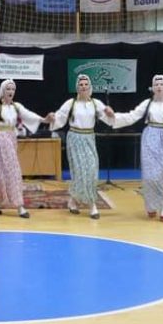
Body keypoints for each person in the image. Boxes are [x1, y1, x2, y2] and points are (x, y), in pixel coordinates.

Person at [108, 74, 163, 222]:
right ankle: (159, 207)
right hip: (149, 137)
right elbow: (132, 116)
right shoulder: (147, 104)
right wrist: (114, 117)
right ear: (153, 87)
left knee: (161, 175)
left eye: (161, 84)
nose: (159, 86)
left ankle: (155, 205)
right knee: (150, 175)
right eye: (156, 84)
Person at [0, 80, 52, 218]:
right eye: (8, 88)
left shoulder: (17, 106)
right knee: (13, 169)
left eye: (13, 89)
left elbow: (29, 115)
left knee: (0, 171)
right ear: (3, 90)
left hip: (12, 137)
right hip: (1, 137)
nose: (11, 91)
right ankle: (19, 206)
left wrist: (44, 120)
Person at [49, 74, 116, 219]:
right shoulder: (70, 103)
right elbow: (59, 119)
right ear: (77, 87)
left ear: (90, 87)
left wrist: (110, 114)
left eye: (86, 84)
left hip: (89, 138)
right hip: (75, 138)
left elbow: (108, 119)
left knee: (91, 170)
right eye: (81, 85)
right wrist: (53, 119)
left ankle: (72, 201)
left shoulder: (96, 103)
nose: (83, 87)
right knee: (80, 172)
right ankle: (92, 205)